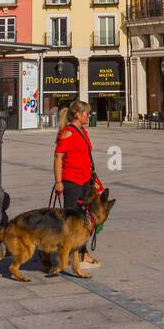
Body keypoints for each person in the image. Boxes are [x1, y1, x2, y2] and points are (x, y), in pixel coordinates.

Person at [53, 101, 101, 268]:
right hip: (72, 182)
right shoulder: (68, 133)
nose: (89, 115)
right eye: (86, 113)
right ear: (78, 115)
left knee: (86, 220)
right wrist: (58, 181)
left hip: (85, 181)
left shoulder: (83, 132)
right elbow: (58, 157)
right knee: (72, 222)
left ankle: (83, 253)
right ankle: (70, 255)